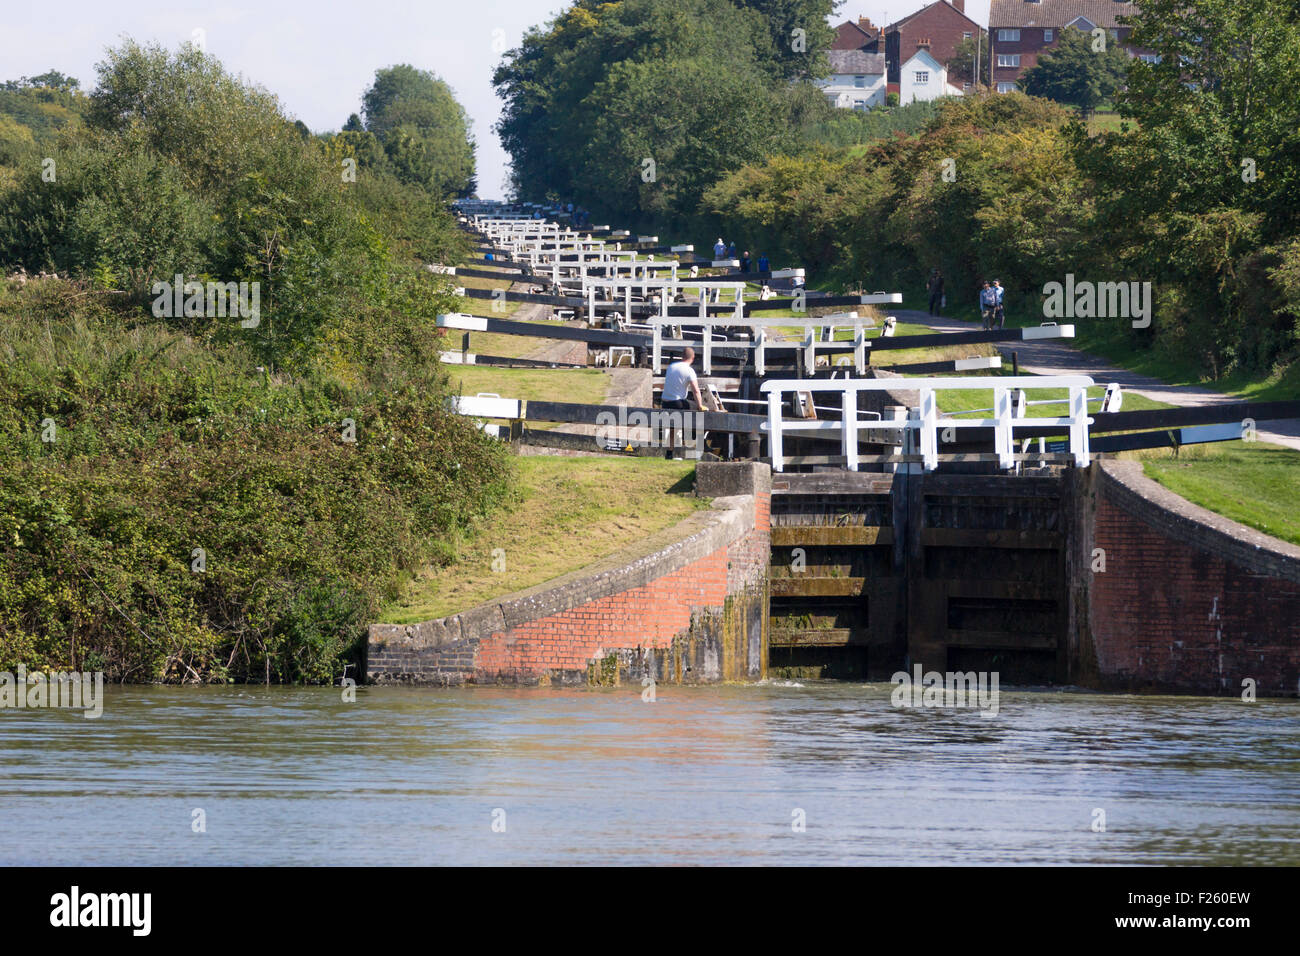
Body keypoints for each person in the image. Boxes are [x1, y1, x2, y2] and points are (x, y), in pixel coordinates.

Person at [660, 347, 714, 459]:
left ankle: (669, 454)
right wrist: (700, 406)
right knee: (702, 414)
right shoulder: (689, 371)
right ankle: (701, 443)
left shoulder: (671, 367)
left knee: (673, 427)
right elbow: (696, 391)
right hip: (677, 403)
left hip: (665, 402)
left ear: (682, 356)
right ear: (692, 358)